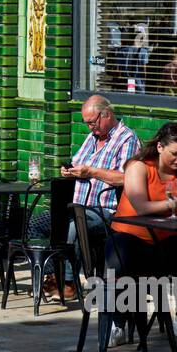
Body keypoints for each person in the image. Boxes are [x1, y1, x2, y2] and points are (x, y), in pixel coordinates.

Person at [108, 122, 177, 347]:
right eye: (175, 153)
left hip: (168, 239)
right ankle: (118, 323)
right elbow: (141, 207)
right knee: (121, 264)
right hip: (131, 237)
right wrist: (176, 202)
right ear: (160, 147)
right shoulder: (139, 166)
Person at [33, 96, 141, 301]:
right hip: (77, 205)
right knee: (38, 222)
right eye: (87, 123)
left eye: (92, 122)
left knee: (74, 225)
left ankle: (69, 284)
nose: (91, 127)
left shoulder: (127, 139)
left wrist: (91, 171)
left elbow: (125, 177)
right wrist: (69, 170)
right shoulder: (92, 138)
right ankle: (51, 275)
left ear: (106, 114)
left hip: (105, 210)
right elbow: (77, 162)